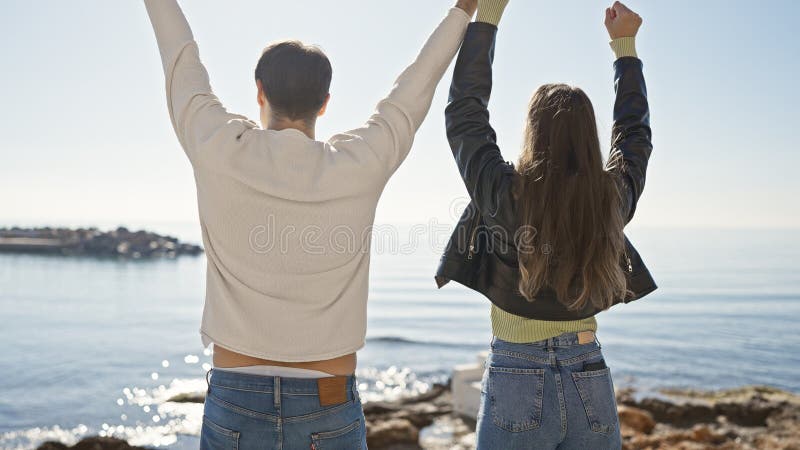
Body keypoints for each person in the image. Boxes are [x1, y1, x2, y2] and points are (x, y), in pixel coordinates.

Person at [143, 0, 477, 448]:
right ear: (324, 104)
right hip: (328, 399)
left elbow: (180, 57)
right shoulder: (359, 163)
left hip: (235, 395)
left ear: (259, 92)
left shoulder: (218, 147)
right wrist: (464, 9)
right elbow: (416, 84)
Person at [435, 1, 655, 448]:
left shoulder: (503, 193)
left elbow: (465, 114)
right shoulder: (610, 199)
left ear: (533, 132)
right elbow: (634, 135)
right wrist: (624, 49)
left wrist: (488, 17)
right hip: (588, 372)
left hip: (516, 372)